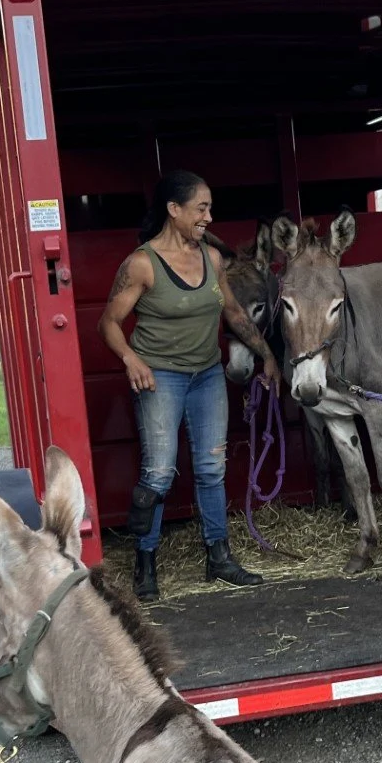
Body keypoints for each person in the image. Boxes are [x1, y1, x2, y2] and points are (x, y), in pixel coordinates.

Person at [99, 170, 278, 601]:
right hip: (160, 377)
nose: (208, 217)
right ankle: (145, 562)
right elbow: (108, 322)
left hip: (207, 376)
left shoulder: (212, 259)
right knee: (159, 472)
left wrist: (267, 355)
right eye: (201, 208)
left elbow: (233, 313)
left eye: (209, 208)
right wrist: (131, 358)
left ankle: (219, 557)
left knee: (211, 468)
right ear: (173, 209)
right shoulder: (142, 264)